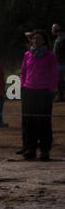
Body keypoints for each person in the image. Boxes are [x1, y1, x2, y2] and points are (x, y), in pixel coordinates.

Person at [20, 29, 59, 161]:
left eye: (39, 38)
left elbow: (54, 73)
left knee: (43, 122)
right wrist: (22, 86)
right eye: (34, 38)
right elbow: (23, 72)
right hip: (29, 90)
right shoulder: (27, 54)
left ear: (44, 41)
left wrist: (50, 89)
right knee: (28, 121)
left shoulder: (50, 55)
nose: (36, 41)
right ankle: (30, 148)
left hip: (43, 91)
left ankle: (44, 149)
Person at [54, 23, 65, 100]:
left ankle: (61, 96)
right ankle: (60, 95)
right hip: (58, 62)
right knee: (59, 80)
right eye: (57, 31)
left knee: (60, 80)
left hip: (61, 62)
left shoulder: (63, 40)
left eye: (59, 31)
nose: (58, 32)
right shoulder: (58, 39)